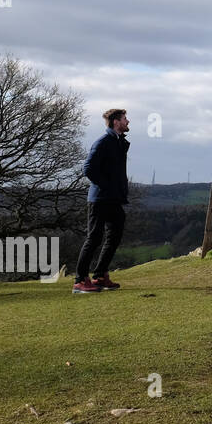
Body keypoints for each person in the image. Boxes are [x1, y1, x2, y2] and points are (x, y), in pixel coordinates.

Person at [73, 108, 131, 294]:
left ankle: (99, 276)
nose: (127, 122)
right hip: (99, 199)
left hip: (113, 199)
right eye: (124, 119)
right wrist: (107, 187)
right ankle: (80, 281)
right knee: (94, 238)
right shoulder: (103, 142)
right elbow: (88, 169)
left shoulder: (116, 142)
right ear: (116, 122)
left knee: (115, 236)